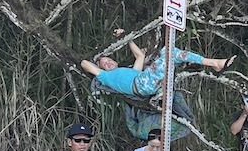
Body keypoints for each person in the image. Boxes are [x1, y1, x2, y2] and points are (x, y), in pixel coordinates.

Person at [79, 34, 232, 104]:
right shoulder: (105, 77)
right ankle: (214, 64)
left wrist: (126, 38)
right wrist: (98, 64)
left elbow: (139, 56)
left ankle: (193, 64)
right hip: (141, 84)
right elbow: (85, 63)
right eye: (104, 64)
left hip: (144, 81)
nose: (107, 63)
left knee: (170, 53)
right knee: (168, 52)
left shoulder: (130, 71)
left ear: (116, 61)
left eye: (109, 60)